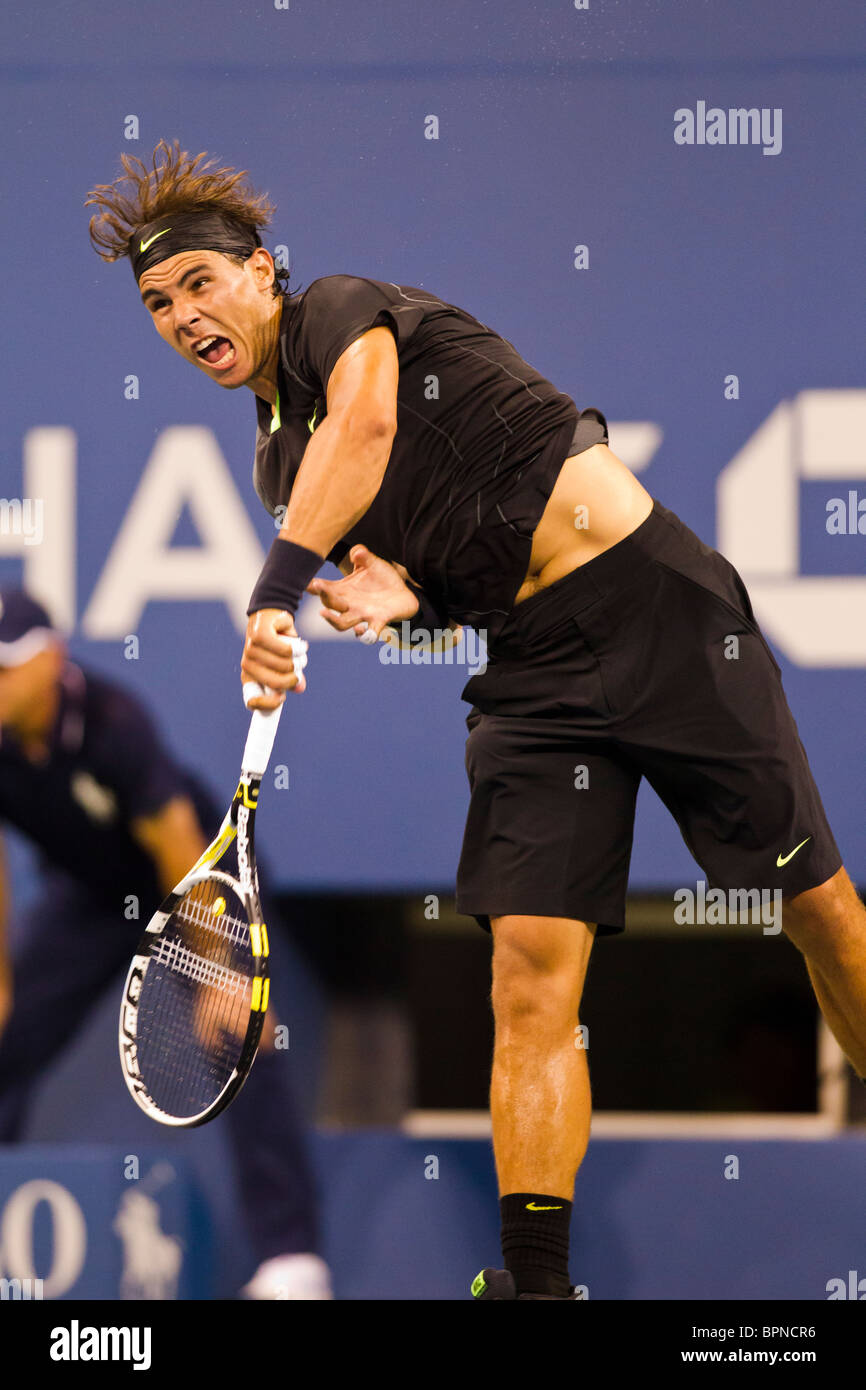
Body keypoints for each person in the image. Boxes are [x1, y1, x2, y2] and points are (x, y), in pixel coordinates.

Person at [86, 139, 866, 1302]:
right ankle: (537, 1286)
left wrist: (274, 589)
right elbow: (435, 579)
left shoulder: (339, 312)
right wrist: (405, 605)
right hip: (534, 672)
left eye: (200, 281)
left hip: (657, 609)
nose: (182, 313)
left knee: (818, 914)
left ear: (262, 272)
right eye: (157, 302)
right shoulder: (272, 463)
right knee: (524, 980)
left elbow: (368, 429)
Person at [0, 589, 332, 1300]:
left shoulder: (113, 721)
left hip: (196, 878)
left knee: (237, 1033)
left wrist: (220, 972)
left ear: (50, 659)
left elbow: (176, 844)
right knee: (4, 1038)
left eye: (6, 667)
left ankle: (292, 1261)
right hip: (89, 898)